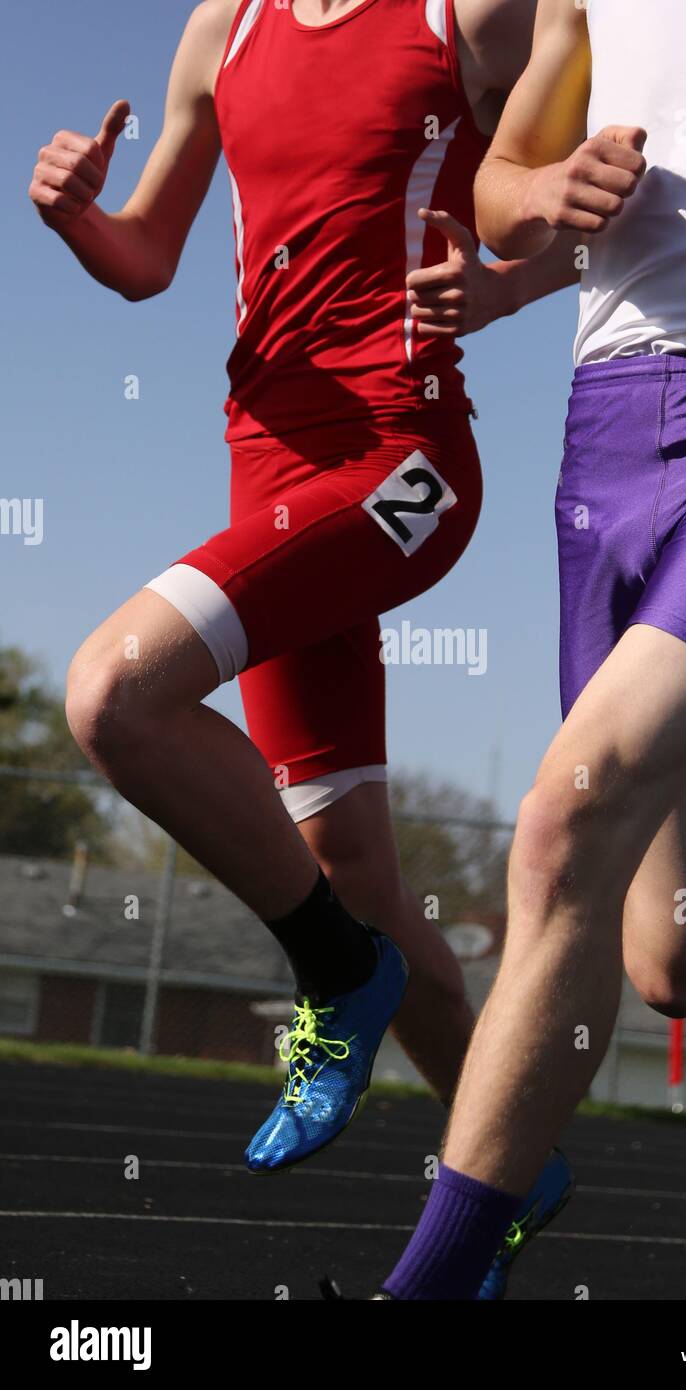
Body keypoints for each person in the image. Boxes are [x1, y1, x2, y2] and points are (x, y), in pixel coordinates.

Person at [29, 0, 638, 1297]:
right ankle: (509, 1160)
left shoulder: (465, 16)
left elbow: (623, 194)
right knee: (351, 864)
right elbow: (146, 258)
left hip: (396, 450)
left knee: (114, 694)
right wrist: (77, 215)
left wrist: (508, 282)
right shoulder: (223, 29)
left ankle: (333, 974)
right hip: (268, 468)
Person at [375, 0, 686, 1300]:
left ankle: (433, 1284)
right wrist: (545, 191)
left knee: (559, 820)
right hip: (601, 451)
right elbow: (497, 186)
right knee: (676, 950)